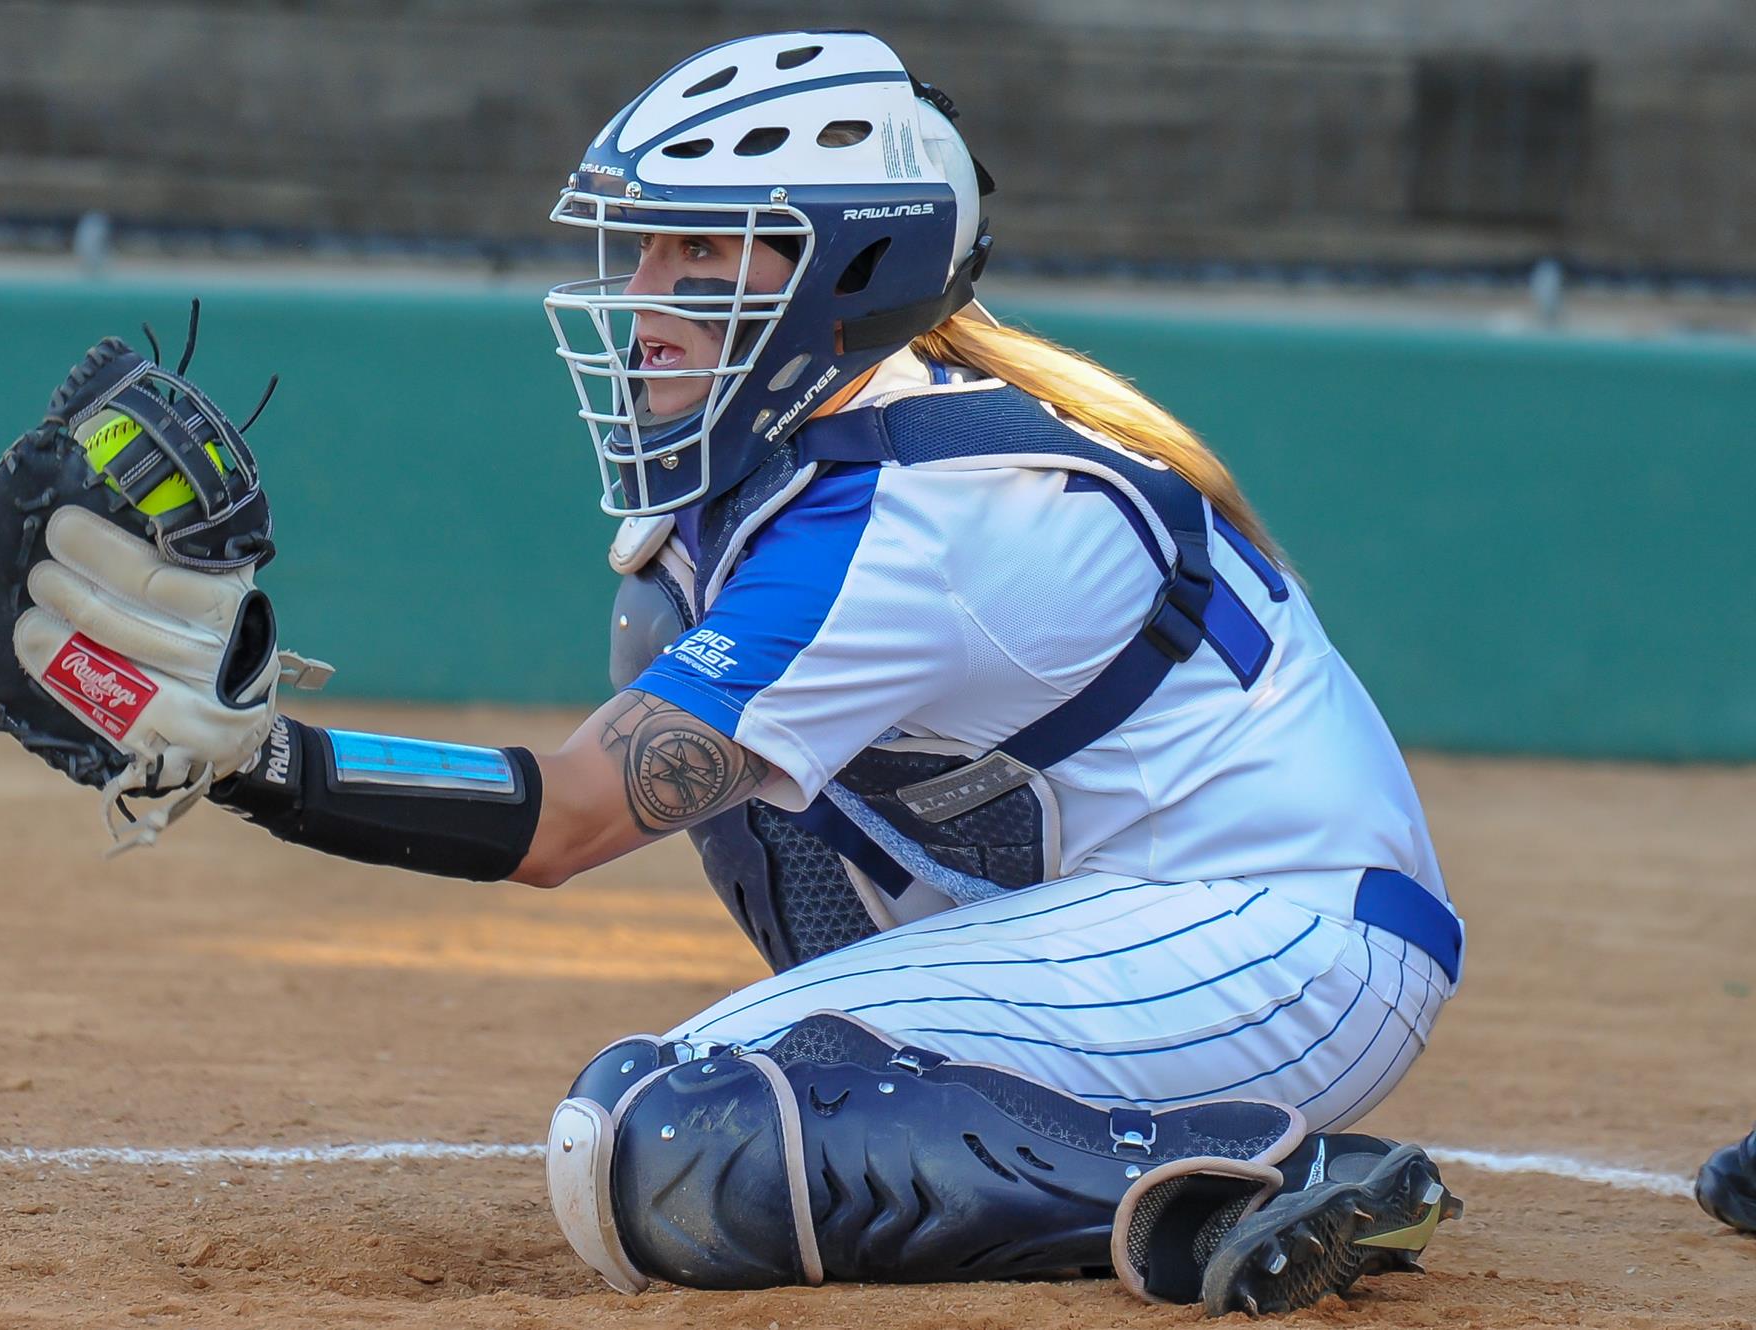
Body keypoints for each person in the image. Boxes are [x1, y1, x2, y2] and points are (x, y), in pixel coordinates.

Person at [188, 30, 1466, 1316]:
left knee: (670, 1134)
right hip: (1163, 918)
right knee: (671, 689)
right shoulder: (821, 456)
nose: (644, 297)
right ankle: (1163, 1148)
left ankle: (1242, 1185)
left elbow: (564, 818)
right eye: (645, 248)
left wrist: (256, 761)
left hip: (1275, 950)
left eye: (698, 250)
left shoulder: (903, 514)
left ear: (851, 263)